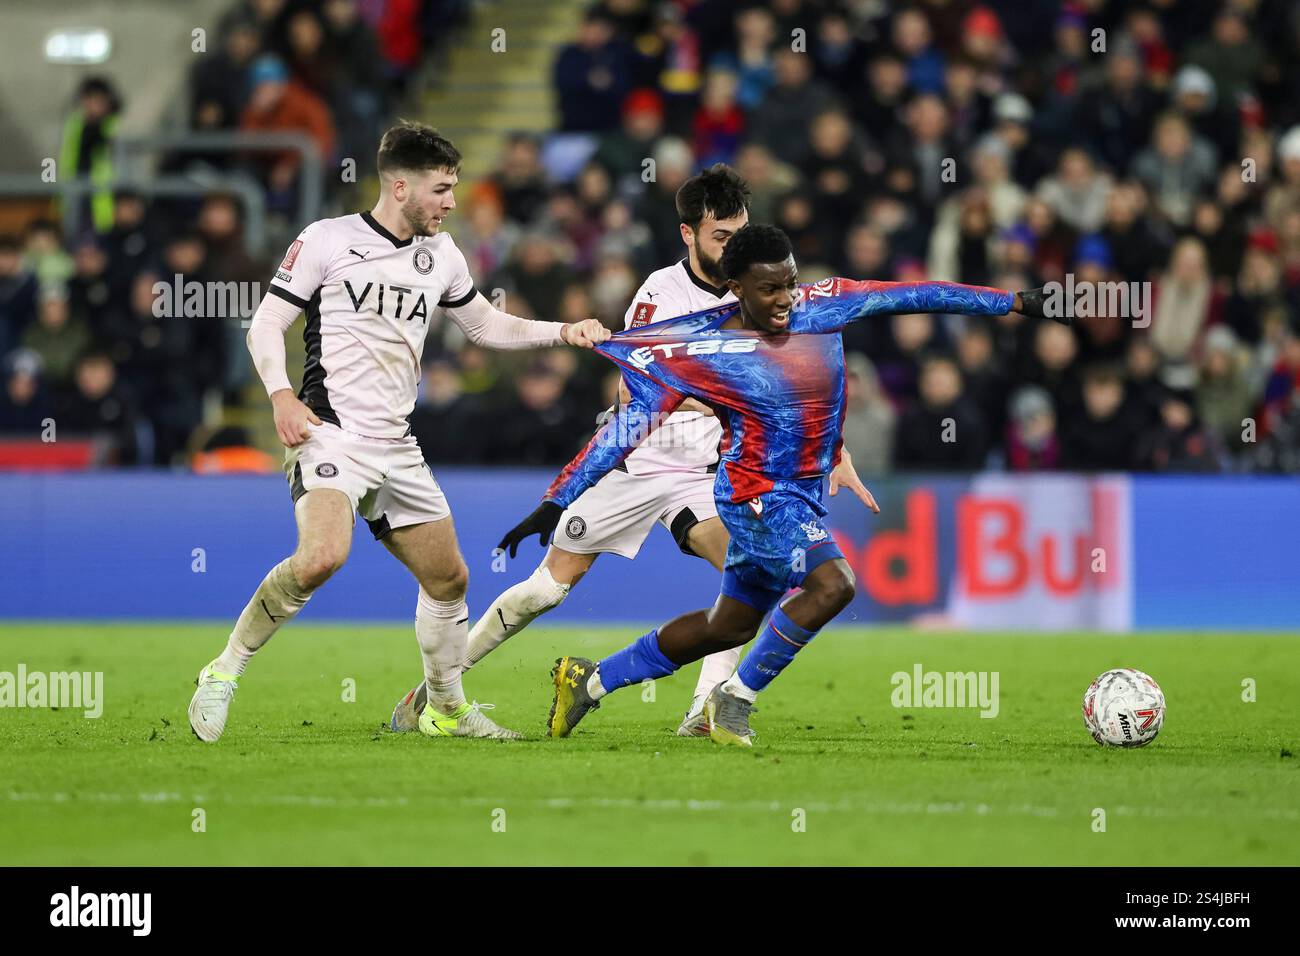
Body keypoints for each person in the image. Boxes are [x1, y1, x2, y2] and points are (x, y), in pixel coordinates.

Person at [502, 224, 1050, 745]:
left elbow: (915, 294)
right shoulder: (696, 352)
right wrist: (556, 501)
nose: (786, 297)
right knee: (834, 584)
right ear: (737, 289)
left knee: (728, 627)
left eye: (789, 281)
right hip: (753, 494)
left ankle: (589, 681)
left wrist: (1014, 302)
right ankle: (734, 699)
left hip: (801, 491)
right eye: (770, 289)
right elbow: (626, 429)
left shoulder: (822, 303)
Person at [390, 166, 874, 738]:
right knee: (543, 591)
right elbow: (630, 392)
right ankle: (435, 690)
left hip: (706, 476)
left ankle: (704, 710)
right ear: (688, 234)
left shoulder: (763, 296)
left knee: (750, 583)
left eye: (741, 233)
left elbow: (798, 385)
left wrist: (832, 449)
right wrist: (717, 405)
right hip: (638, 465)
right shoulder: (659, 295)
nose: (735, 247)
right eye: (722, 237)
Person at [187, 122, 609, 743]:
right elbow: (266, 324)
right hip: (329, 432)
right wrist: (279, 395)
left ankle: (442, 708)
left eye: (454, 189)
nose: (451, 202)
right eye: (441, 189)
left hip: (396, 445)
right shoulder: (328, 239)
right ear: (400, 185)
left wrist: (562, 330)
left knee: (451, 579)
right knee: (321, 558)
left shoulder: (442, 255)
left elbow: (486, 327)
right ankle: (223, 671)